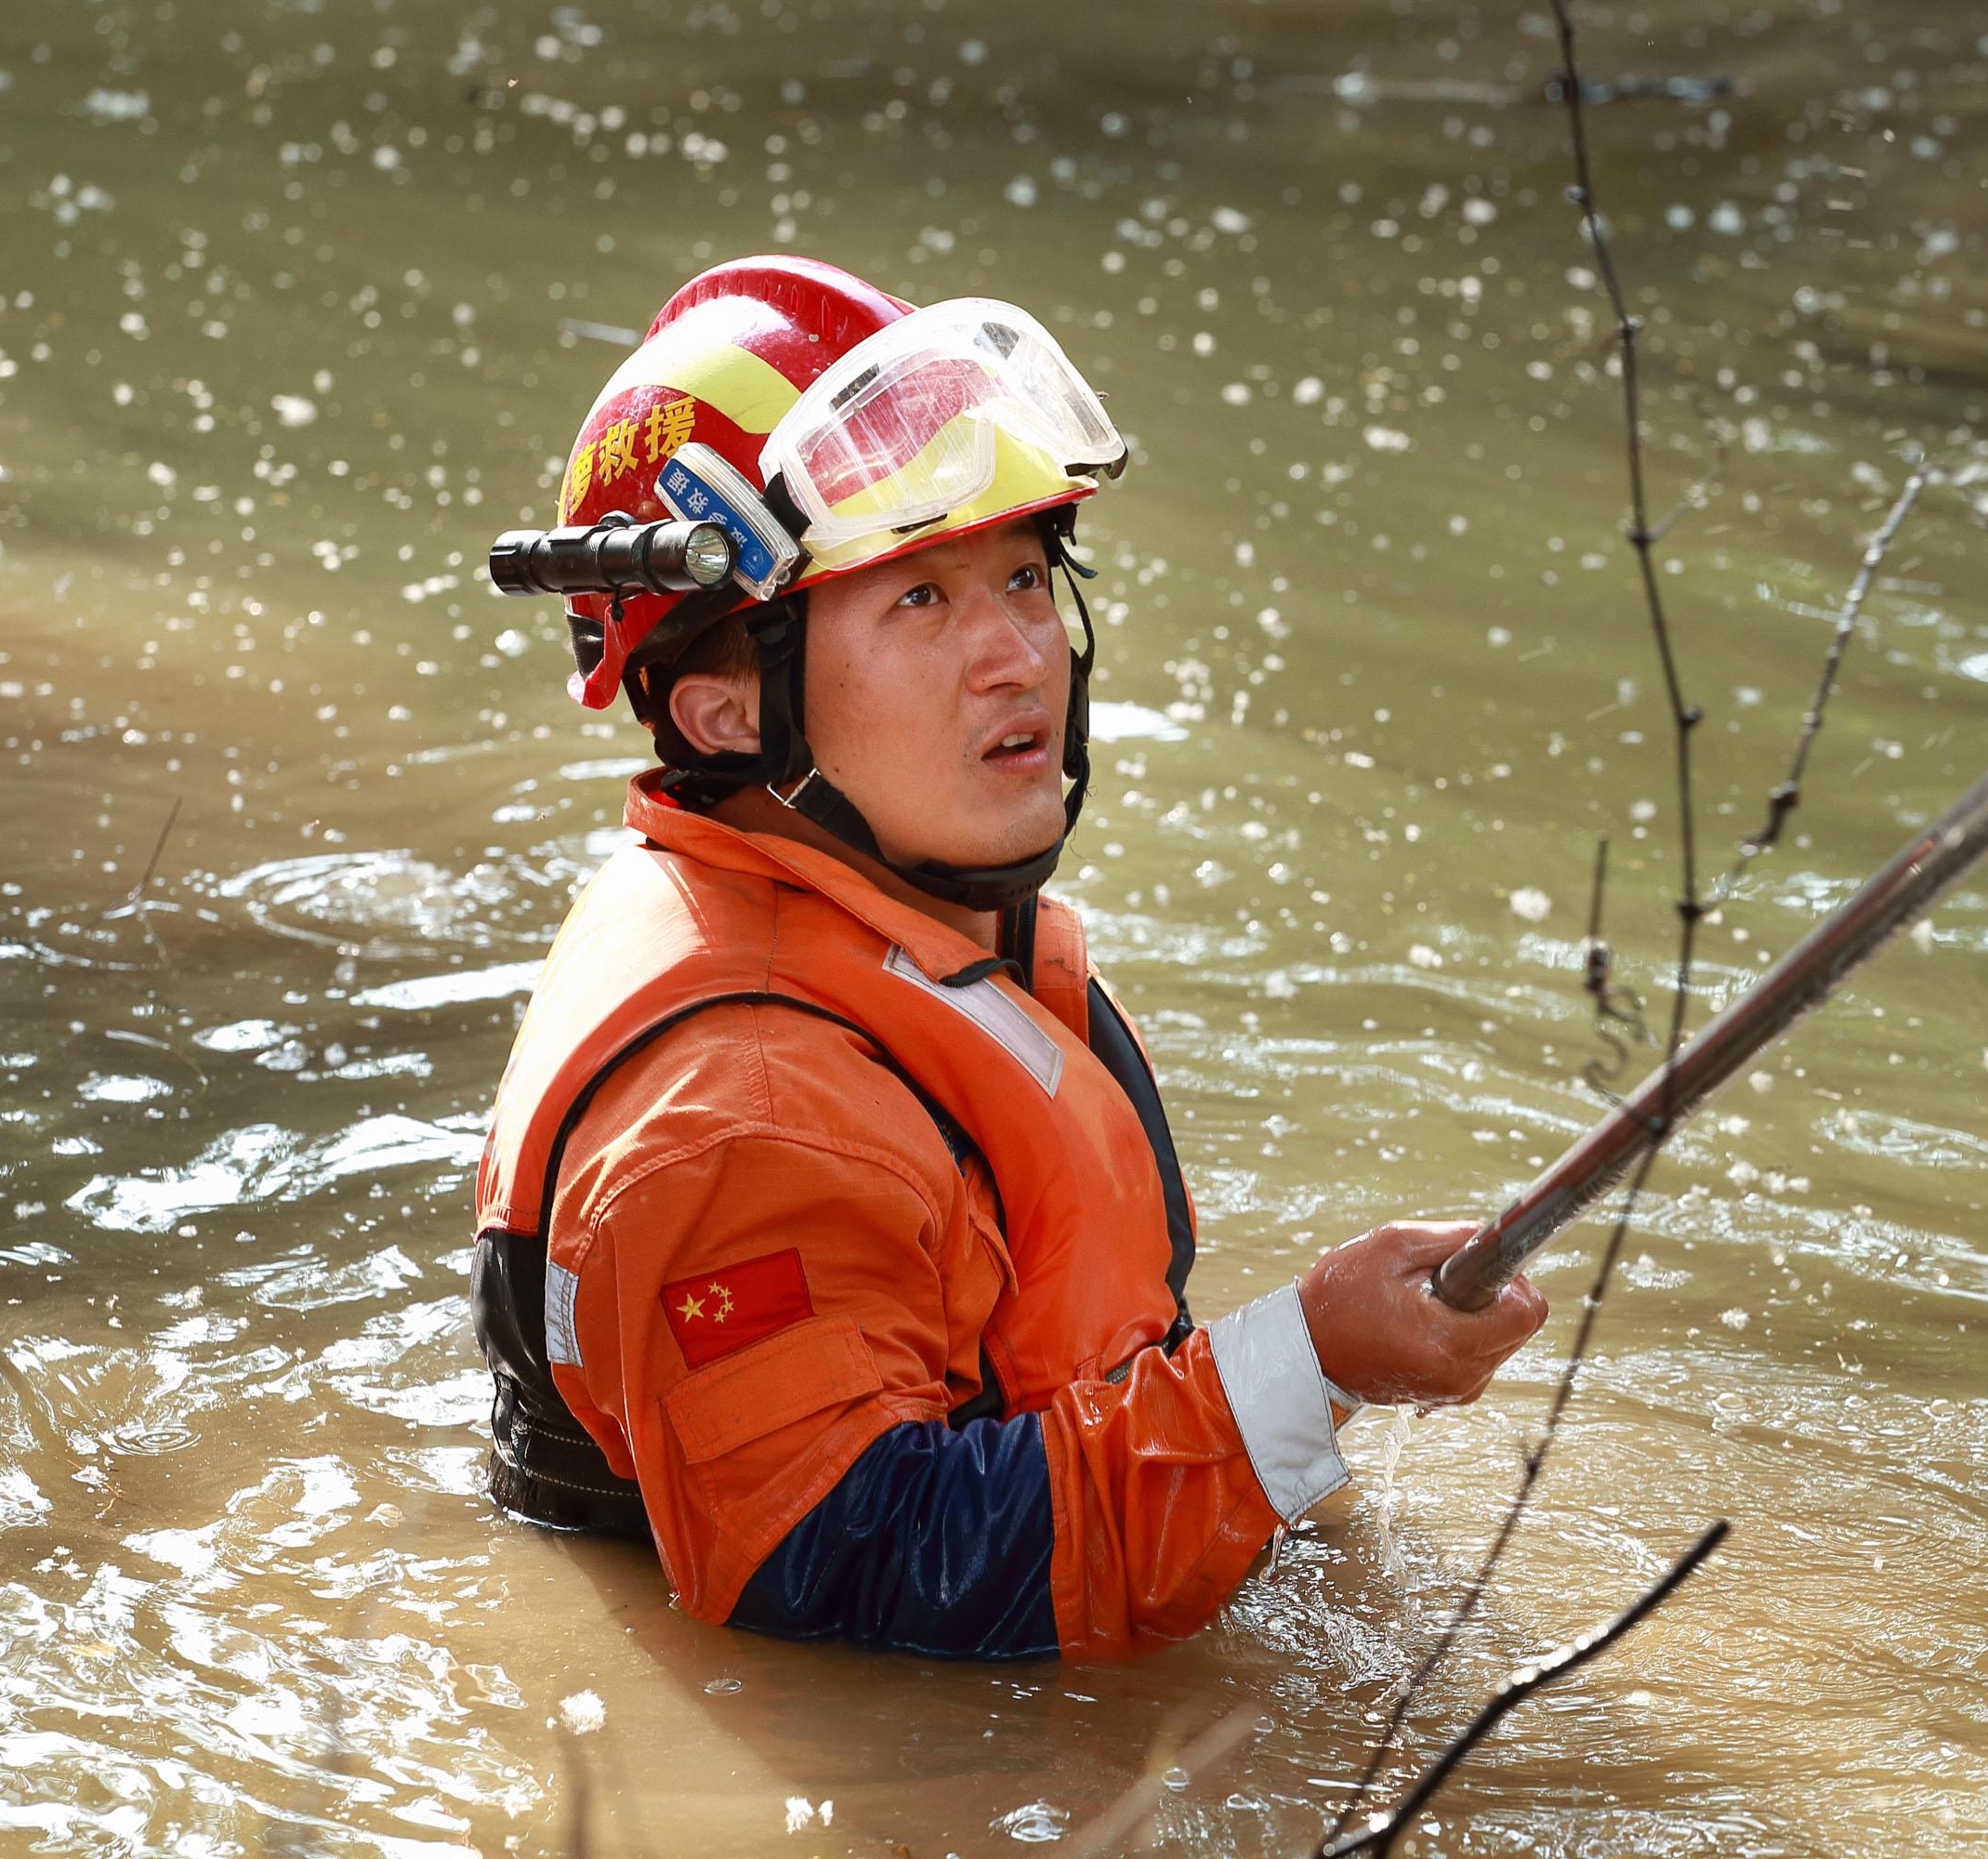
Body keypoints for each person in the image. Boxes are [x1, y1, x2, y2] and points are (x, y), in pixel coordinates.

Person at [469, 255, 1547, 1659]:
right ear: (730, 712)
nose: (1017, 655)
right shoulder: (741, 1106)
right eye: (919, 598)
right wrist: (1311, 1364)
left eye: (1025, 577)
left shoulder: (904, 928)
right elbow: (856, 1563)